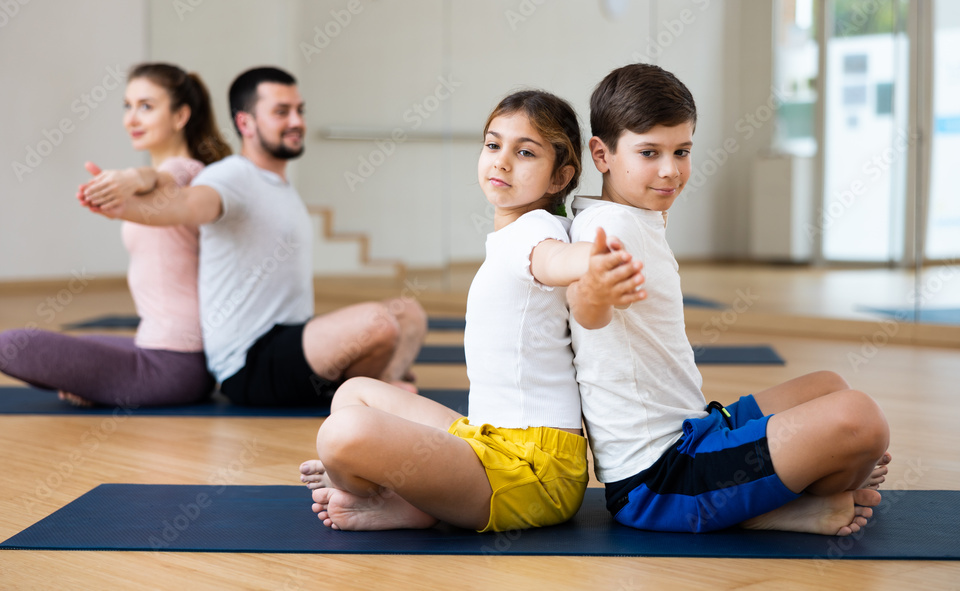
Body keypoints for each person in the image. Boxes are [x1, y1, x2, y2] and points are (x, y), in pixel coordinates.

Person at [567, 63, 891, 536]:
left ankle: (798, 480)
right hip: (657, 482)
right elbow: (586, 307)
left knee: (830, 384)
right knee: (862, 420)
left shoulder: (625, 215)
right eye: (649, 152)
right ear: (602, 153)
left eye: (681, 151)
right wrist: (594, 293)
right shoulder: (609, 232)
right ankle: (771, 510)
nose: (669, 170)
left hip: (694, 431)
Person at [299, 90, 644, 532]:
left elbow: (556, 260)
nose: (501, 161)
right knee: (353, 394)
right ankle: (410, 497)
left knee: (340, 435)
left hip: (532, 472)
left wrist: (593, 263)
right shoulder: (518, 232)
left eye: (525, 152)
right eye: (493, 144)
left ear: (560, 177)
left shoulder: (534, 232)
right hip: (489, 441)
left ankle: (397, 500)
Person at [80, 67, 427, 407]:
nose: (296, 121)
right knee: (378, 323)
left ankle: (378, 386)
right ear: (246, 123)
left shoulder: (279, 184)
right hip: (248, 363)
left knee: (409, 314)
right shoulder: (230, 177)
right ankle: (367, 396)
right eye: (281, 112)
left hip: (291, 339)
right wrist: (120, 205)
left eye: (299, 110)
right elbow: (187, 205)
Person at [0, 63, 228, 407]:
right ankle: (103, 379)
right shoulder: (178, 173)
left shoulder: (189, 172)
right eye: (127, 106)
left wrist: (134, 177)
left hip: (176, 363)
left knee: (8, 346)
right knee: (70, 344)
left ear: (180, 117)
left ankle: (107, 383)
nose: (131, 119)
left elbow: (164, 177)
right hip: (160, 345)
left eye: (146, 106)